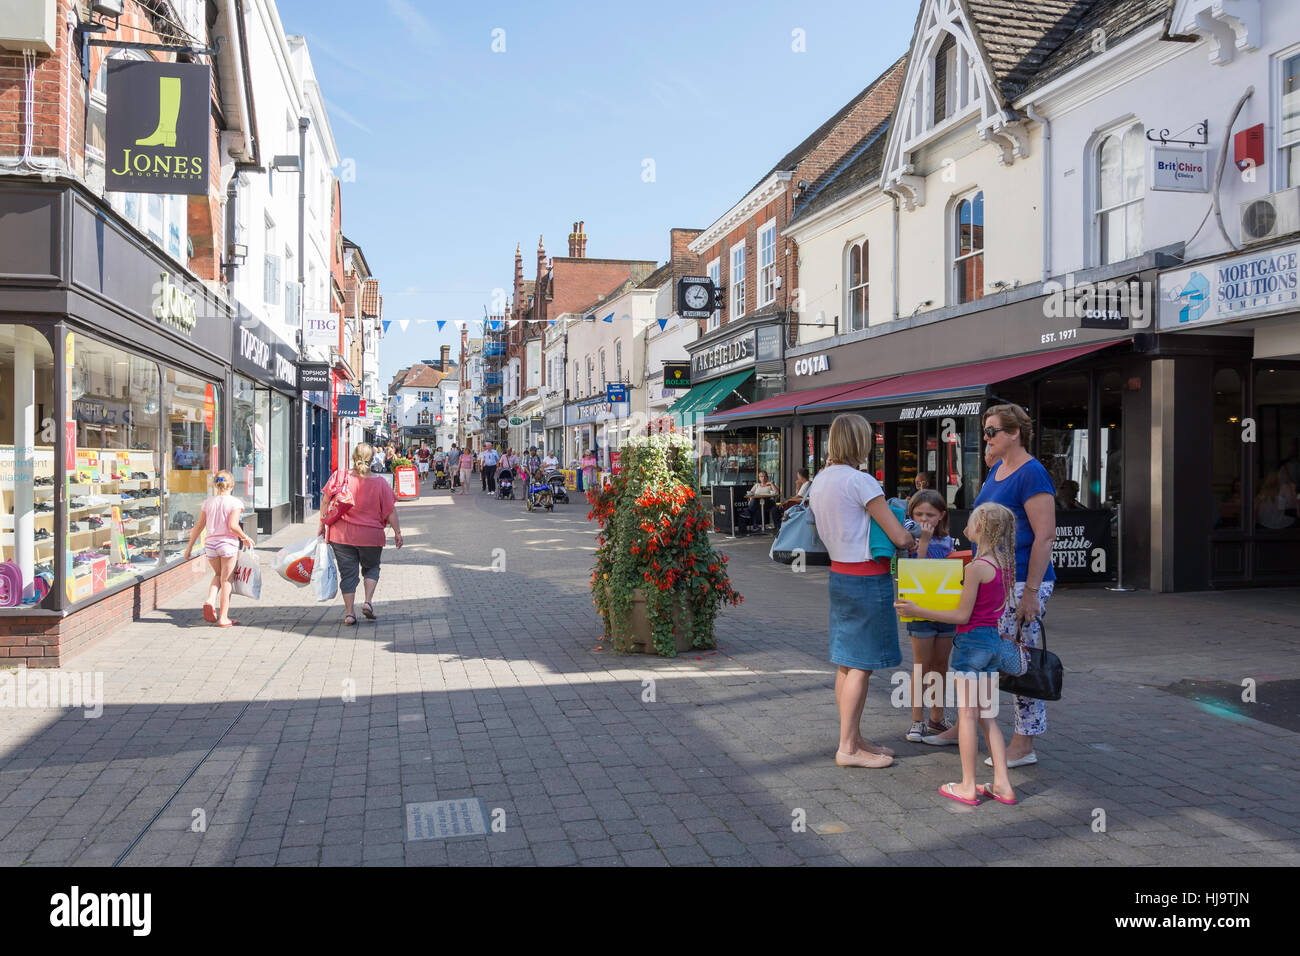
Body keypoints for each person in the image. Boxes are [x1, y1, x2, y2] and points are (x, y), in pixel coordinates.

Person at [923, 404, 1055, 768]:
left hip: (1021, 580)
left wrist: (1031, 592)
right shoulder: (997, 469)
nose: (985, 438)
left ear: (1014, 433)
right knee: (977, 651)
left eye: (992, 431)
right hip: (993, 577)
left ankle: (1024, 743)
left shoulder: (1033, 474)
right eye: (984, 431)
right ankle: (966, 724)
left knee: (1017, 659)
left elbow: (1045, 536)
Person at [896, 502, 1024, 807]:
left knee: (967, 716)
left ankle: (967, 785)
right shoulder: (1003, 565)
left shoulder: (976, 568)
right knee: (987, 717)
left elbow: (961, 615)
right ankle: (1002, 784)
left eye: (970, 521)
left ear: (980, 528)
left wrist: (917, 609)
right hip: (991, 643)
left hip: (971, 647)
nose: (965, 526)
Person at [808, 414, 916, 769]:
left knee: (846, 662)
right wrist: (914, 535)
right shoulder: (861, 481)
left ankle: (853, 738)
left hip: (840, 575)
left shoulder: (820, 481)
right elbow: (898, 536)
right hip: (869, 577)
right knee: (861, 666)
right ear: (861, 442)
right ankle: (847, 748)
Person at [319, 443, 402, 625]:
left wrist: (321, 525)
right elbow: (390, 511)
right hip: (371, 536)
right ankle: (367, 602)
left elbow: (325, 501)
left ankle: (350, 614)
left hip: (341, 536)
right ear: (372, 459)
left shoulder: (340, 476)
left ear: (353, 456)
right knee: (371, 568)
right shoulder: (380, 483)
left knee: (348, 574)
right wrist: (397, 533)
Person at [901, 488, 955, 743]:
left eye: (930, 515)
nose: (924, 519)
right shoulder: (909, 541)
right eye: (918, 513)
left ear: (941, 515)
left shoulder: (947, 541)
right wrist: (922, 541)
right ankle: (916, 720)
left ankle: (937, 716)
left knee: (941, 665)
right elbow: (915, 570)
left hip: (944, 610)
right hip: (919, 610)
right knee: (921, 665)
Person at [182, 469, 255, 628]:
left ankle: (210, 599)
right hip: (227, 545)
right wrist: (245, 537)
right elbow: (233, 526)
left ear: (216, 485)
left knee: (217, 574)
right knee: (226, 580)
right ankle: (223, 618)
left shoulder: (208, 502)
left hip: (211, 545)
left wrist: (189, 548)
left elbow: (199, 526)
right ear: (232, 485)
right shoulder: (235, 503)